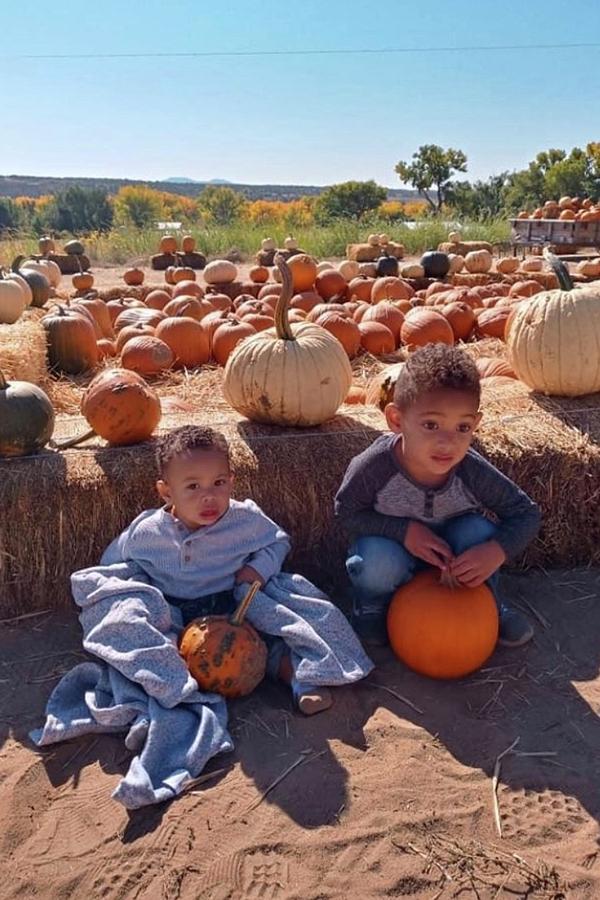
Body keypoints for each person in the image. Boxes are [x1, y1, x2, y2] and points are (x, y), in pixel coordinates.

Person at [101, 424, 373, 714]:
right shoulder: (148, 532)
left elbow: (278, 542)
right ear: (166, 492)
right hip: (175, 612)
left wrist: (258, 570)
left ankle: (301, 681)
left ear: (231, 481)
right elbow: (113, 562)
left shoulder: (243, 519)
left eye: (218, 483)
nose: (208, 497)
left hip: (236, 604)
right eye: (193, 487)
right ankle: (169, 697)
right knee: (152, 643)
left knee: (269, 642)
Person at [334, 343, 541, 648]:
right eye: (431, 425)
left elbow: (526, 514)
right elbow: (346, 511)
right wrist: (404, 532)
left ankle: (491, 603)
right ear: (396, 420)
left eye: (462, 427)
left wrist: (495, 551)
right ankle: (371, 608)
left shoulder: (470, 469)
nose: (448, 442)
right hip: (396, 551)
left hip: (455, 560)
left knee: (479, 532)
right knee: (374, 561)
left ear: (476, 424)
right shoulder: (375, 466)